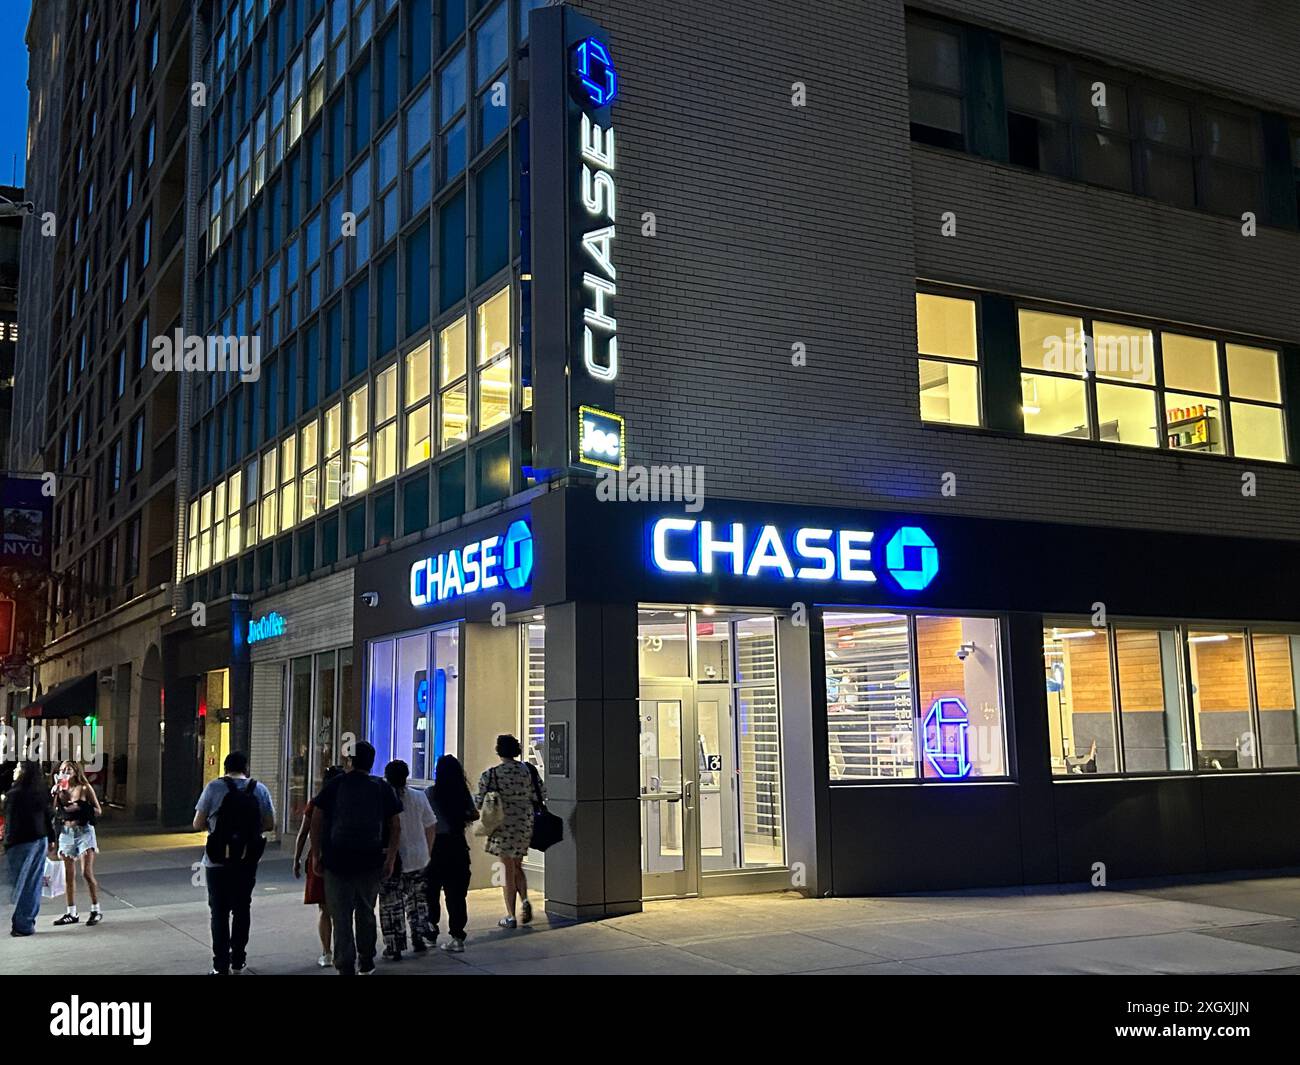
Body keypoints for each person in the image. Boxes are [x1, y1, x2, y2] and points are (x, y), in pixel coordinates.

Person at [310, 741, 401, 975]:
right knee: (365, 911)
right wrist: (390, 857)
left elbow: (317, 816)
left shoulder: (337, 784)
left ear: (350, 760)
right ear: (372, 762)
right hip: (370, 860)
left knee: (340, 915)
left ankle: (344, 963)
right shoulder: (381, 787)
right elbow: (395, 824)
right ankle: (366, 959)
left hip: (337, 860)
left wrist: (316, 853)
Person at [193, 751, 275, 975]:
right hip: (246, 860)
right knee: (242, 909)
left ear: (225, 767)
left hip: (216, 861)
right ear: (246, 767)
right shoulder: (259, 789)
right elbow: (270, 823)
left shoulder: (214, 788)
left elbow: (197, 822)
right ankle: (238, 961)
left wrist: (217, 827)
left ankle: (220, 966)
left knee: (218, 913)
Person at [476, 734, 543, 929]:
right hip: (524, 822)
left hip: (503, 824)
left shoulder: (492, 774)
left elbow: (479, 800)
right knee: (517, 865)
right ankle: (525, 900)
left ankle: (511, 915)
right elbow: (541, 793)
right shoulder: (528, 771)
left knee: (506, 870)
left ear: (499, 750)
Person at [378, 760, 435, 961]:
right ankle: (418, 937)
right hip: (419, 857)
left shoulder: (382, 800)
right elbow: (430, 825)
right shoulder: (419, 796)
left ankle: (394, 945)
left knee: (391, 904)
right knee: (418, 900)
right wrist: (427, 850)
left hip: (392, 858)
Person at [425, 754, 478, 953]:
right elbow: (474, 814)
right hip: (457, 846)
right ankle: (457, 936)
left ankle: (430, 932)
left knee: (431, 892)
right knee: (456, 895)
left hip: (435, 847)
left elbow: (426, 819)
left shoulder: (430, 793)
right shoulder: (462, 794)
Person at [293, 764, 344, 967]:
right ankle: (343, 949)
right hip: (344, 856)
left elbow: (303, 832)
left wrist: (297, 858)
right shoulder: (348, 803)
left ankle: (327, 952)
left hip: (320, 857)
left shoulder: (316, 803)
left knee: (324, 909)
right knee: (342, 908)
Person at [4, 762, 57, 937]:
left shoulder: (15, 794)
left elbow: (11, 822)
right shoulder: (40, 792)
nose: (15, 770)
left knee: (15, 883)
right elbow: (48, 816)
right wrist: (51, 838)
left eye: (18, 767)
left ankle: (20, 922)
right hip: (39, 839)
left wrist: (7, 843)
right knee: (32, 884)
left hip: (20, 842)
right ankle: (25, 923)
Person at [51, 761, 103, 927]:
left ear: (75, 770)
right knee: (68, 875)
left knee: (86, 873)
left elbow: (98, 810)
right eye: (62, 770)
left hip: (84, 832)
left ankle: (96, 909)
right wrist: (56, 793)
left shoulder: (85, 788)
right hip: (67, 834)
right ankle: (71, 912)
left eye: (68, 769)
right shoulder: (60, 789)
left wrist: (81, 807)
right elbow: (54, 813)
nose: (65, 772)